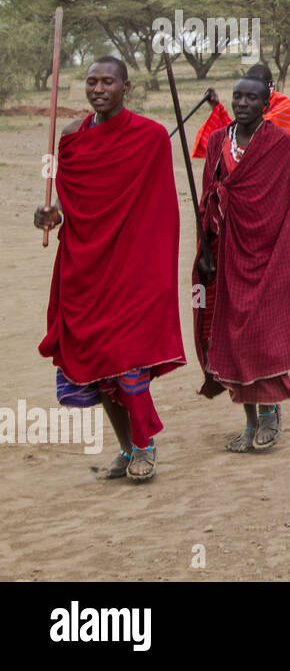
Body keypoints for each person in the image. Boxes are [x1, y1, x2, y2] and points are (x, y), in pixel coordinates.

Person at [35, 57, 185, 482]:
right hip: (85, 267)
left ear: (127, 86)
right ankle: (125, 448)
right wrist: (52, 215)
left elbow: (158, 210)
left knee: (127, 358)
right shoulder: (71, 137)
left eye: (107, 82)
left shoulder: (151, 137)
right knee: (100, 362)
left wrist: (153, 268)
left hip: (134, 267)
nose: (98, 89)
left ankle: (145, 446)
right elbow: (71, 202)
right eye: (91, 82)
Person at [194, 76, 290, 452]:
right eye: (237, 96)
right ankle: (250, 420)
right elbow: (209, 195)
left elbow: (286, 204)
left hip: (268, 254)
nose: (241, 103)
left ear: (264, 104)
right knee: (232, 336)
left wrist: (281, 256)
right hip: (226, 254)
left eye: (251, 98)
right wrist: (205, 249)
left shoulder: (280, 144)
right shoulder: (217, 141)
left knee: (262, 335)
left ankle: (270, 414)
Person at [191, 62, 290, 162]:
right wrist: (217, 108)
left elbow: (254, 129)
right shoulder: (249, 111)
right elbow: (238, 133)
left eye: (252, 95)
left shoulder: (285, 106)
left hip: (278, 169)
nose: (243, 103)